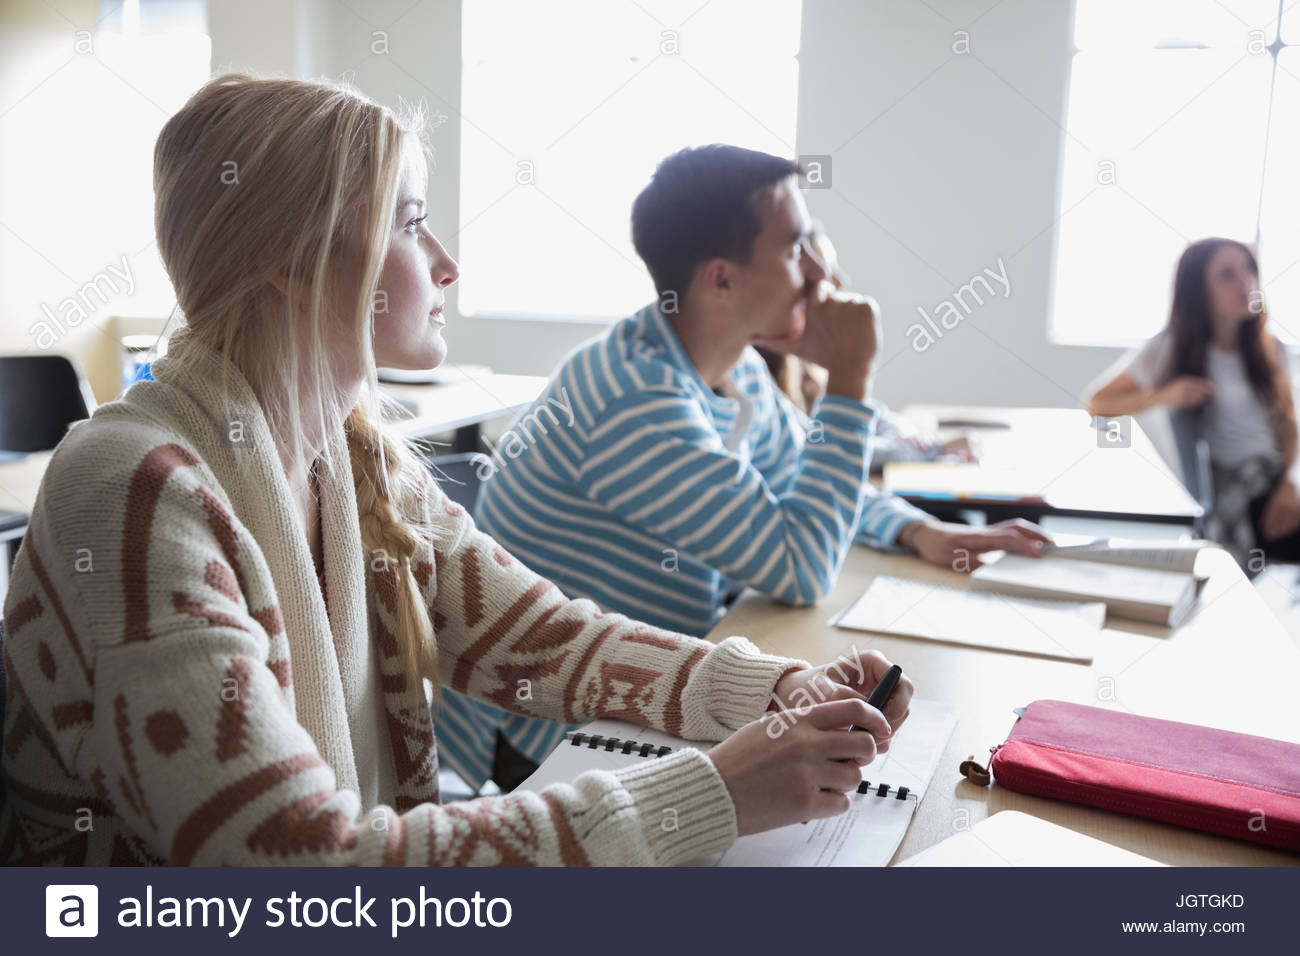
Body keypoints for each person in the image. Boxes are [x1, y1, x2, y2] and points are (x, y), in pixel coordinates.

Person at [0, 77, 914, 866]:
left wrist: (774, 692)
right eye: (411, 223)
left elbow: (545, 641)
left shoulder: (354, 459)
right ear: (290, 259)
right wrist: (709, 793)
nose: (447, 263)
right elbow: (298, 863)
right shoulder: (133, 489)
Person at [443, 145, 1049, 775]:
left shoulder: (732, 364)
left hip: (676, 669)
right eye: (794, 248)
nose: (822, 272)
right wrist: (849, 380)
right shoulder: (635, 398)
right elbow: (803, 566)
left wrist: (916, 529)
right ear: (722, 281)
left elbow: (805, 476)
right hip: (560, 728)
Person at [1086, 238, 1298, 567]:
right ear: (1198, 289)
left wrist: (1289, 485)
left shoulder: (1271, 349)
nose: (1245, 282)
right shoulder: (1170, 348)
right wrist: (1165, 395)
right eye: (1227, 275)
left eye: (1249, 269)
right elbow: (1097, 402)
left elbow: (1288, 426)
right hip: (1233, 493)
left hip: (1275, 482)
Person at [754, 226, 975, 466]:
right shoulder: (758, 379)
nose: (839, 281)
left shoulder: (807, 370)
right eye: (823, 272)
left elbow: (875, 417)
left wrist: (907, 435)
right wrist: (930, 449)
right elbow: (832, 449)